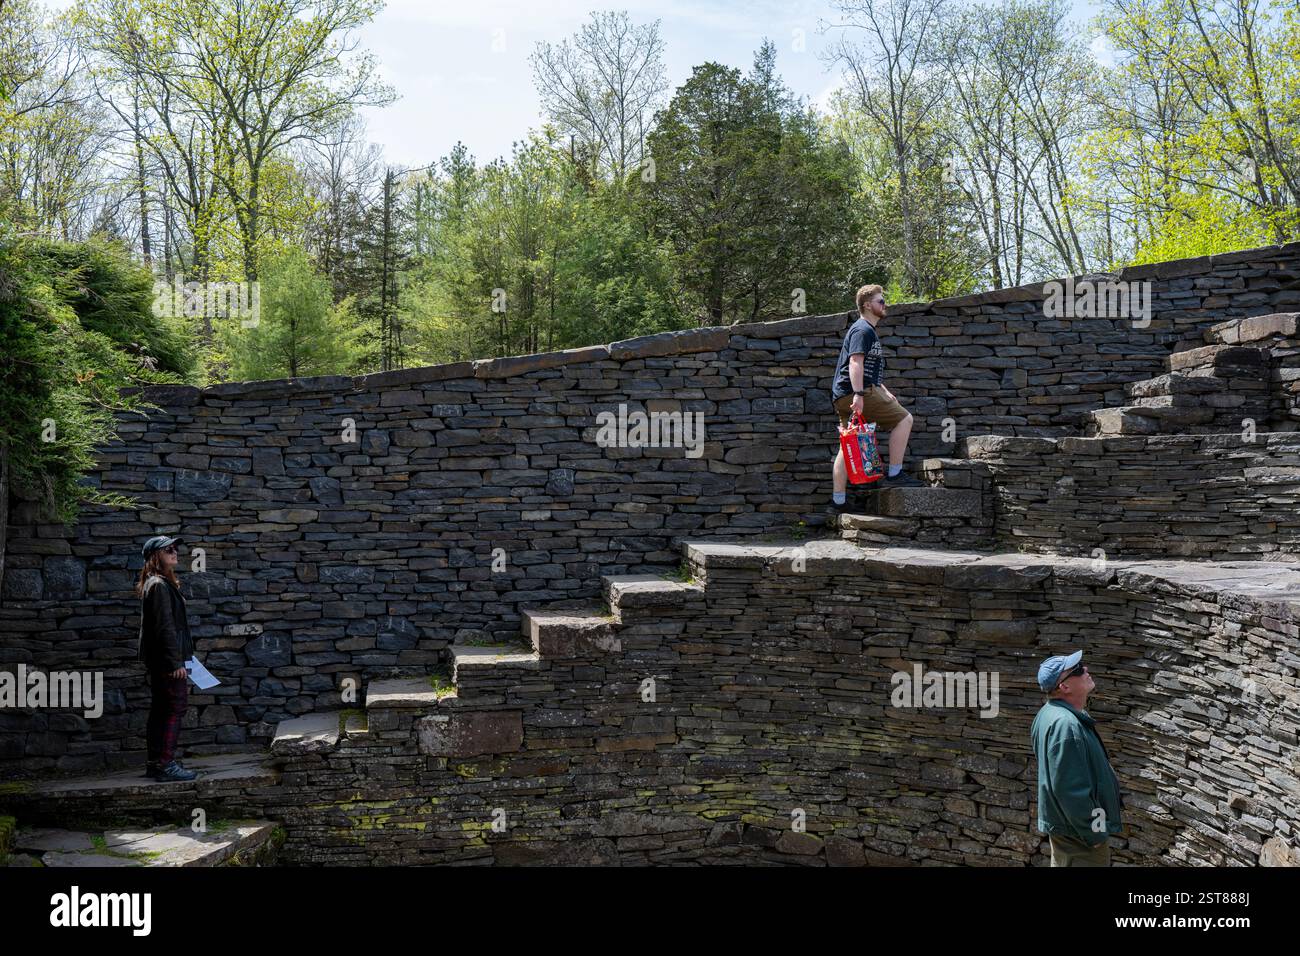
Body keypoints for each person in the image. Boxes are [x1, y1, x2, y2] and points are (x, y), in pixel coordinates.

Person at [830, 283, 921, 513]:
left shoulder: (864, 329)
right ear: (868, 305)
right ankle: (895, 474)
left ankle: (838, 502)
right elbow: (855, 363)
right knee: (904, 419)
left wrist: (882, 388)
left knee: (847, 443)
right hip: (855, 392)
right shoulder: (863, 329)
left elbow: (867, 367)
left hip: (844, 393)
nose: (885, 304)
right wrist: (859, 394)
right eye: (881, 301)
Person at [1030, 651, 1123, 866]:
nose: (1086, 670)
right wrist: (1096, 834)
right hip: (1080, 838)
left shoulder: (1050, 714)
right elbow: (1070, 791)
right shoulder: (1066, 726)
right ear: (1064, 687)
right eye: (1079, 670)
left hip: (1071, 831)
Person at [136, 534, 199, 782]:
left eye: (175, 548)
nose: (175, 552)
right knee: (174, 708)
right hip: (168, 662)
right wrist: (175, 663)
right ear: (155, 556)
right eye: (168, 549)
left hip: (163, 660)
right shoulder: (159, 585)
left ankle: (156, 763)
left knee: (161, 710)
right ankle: (164, 764)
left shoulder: (158, 583)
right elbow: (165, 628)